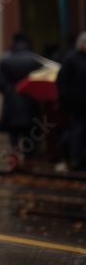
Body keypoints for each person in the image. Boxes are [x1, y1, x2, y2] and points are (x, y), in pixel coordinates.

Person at [0, 31, 44, 171]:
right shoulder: (34, 59)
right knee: (30, 133)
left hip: (12, 103)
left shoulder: (6, 59)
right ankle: (29, 160)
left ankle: (14, 159)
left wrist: (9, 90)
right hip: (30, 102)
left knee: (13, 134)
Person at [57, 31, 86, 172]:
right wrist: (66, 100)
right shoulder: (71, 59)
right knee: (77, 132)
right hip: (76, 104)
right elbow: (62, 81)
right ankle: (76, 160)